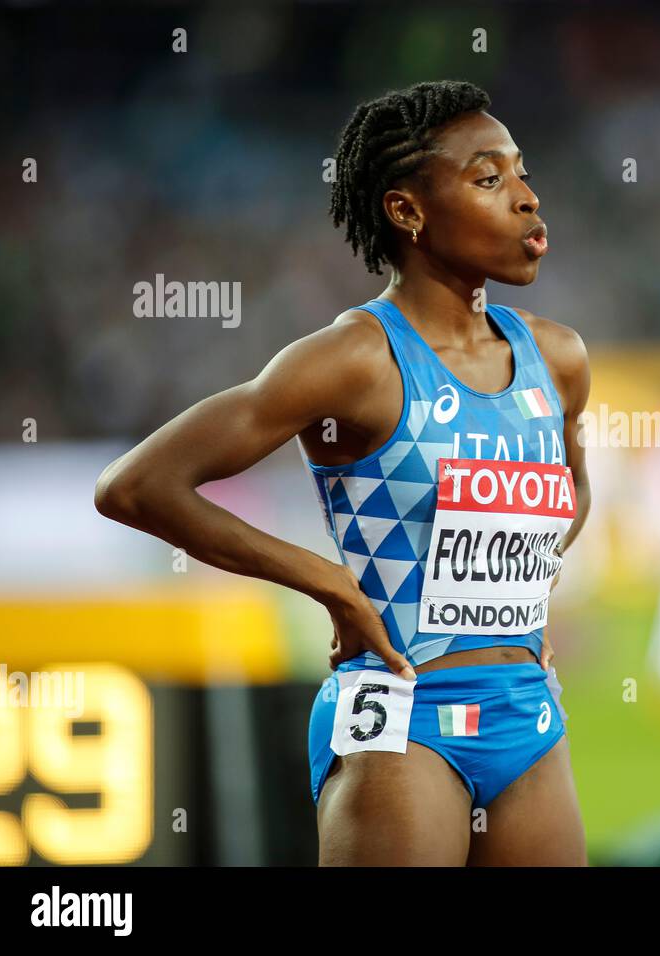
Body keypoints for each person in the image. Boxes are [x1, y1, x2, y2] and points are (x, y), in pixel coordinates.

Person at [94, 79, 591, 865]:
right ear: (406, 211)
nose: (527, 198)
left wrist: (525, 579)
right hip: (401, 712)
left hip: (527, 715)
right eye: (489, 178)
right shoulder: (355, 360)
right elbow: (135, 486)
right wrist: (329, 584)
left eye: (523, 172)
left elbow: (571, 485)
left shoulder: (557, 358)